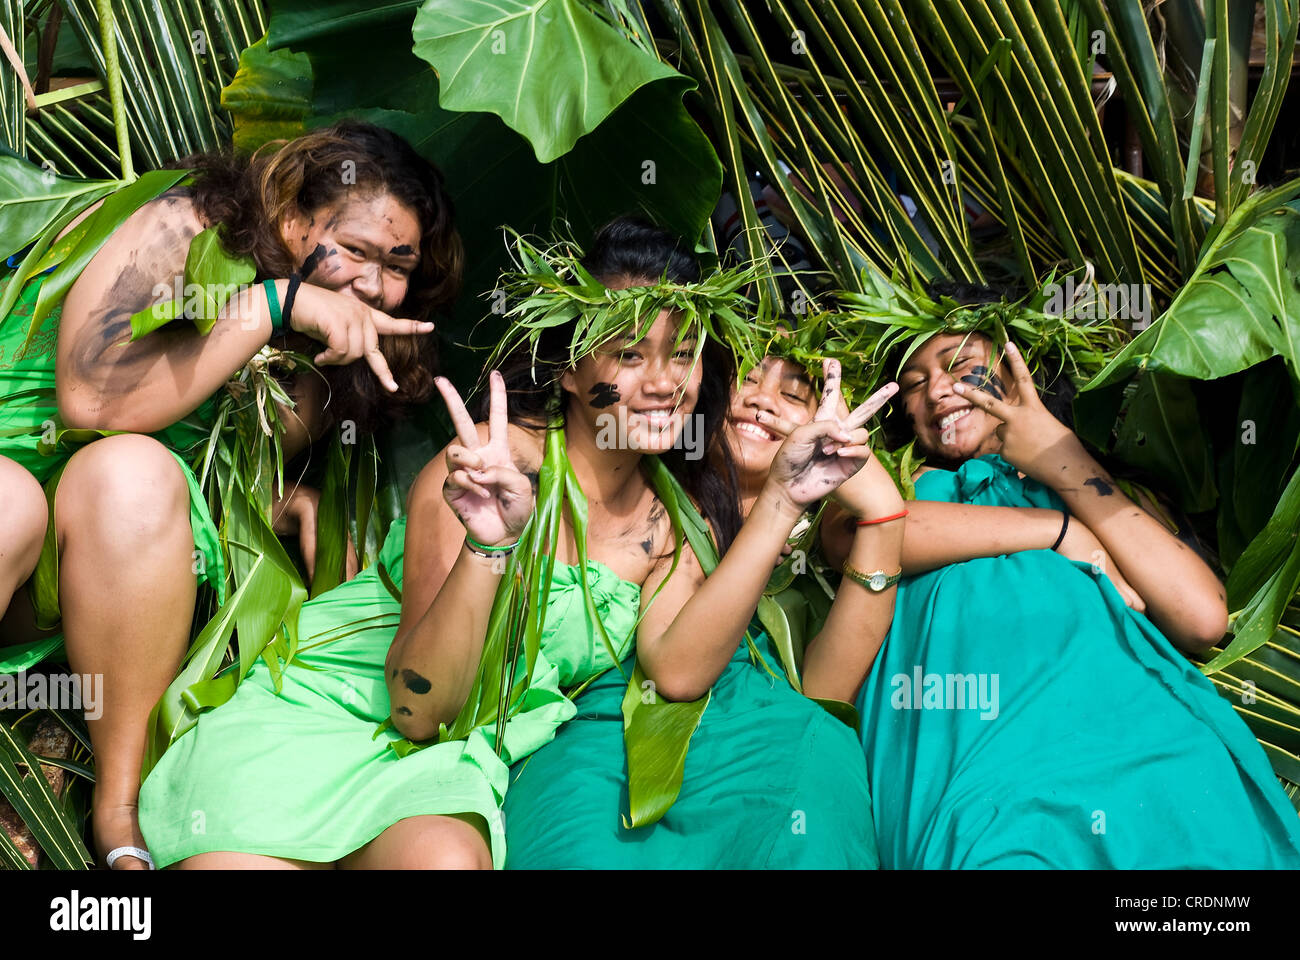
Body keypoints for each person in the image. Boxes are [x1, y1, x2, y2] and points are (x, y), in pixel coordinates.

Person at [136, 217, 886, 868]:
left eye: (682, 354)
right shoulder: (485, 470)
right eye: (629, 354)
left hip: (448, 767)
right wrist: (489, 547)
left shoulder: (669, 518)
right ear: (567, 369)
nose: (665, 381)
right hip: (335, 712)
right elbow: (415, 707)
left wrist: (784, 497)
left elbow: (680, 671)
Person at [0, 119, 462, 868]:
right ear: (289, 218)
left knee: (131, 476)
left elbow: (184, 460)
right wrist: (277, 305)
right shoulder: (187, 227)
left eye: (397, 266)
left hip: (70, 580)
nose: (373, 284)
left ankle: (120, 815)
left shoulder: (327, 366)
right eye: (354, 250)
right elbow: (91, 402)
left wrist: (280, 501)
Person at [832, 284, 1300, 868]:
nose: (938, 390)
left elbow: (1201, 616)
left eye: (959, 364)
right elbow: (859, 531)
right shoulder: (889, 486)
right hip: (979, 769)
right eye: (915, 383)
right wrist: (1057, 531)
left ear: (1016, 366)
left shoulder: (1084, 482)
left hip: (1140, 743)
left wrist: (1061, 455)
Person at [501, 350, 902, 868]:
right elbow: (673, 670)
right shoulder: (642, 491)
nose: (762, 400)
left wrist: (883, 511)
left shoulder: (830, 534)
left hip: (775, 751)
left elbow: (826, 691)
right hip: (605, 740)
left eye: (794, 394)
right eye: (749, 379)